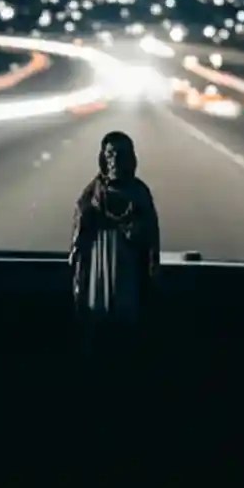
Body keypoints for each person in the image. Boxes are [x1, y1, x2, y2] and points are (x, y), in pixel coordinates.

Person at [69, 131, 160, 352]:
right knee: (98, 321)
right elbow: (81, 227)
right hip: (97, 267)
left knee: (125, 324)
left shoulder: (138, 192)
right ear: (103, 157)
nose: (115, 160)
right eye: (110, 154)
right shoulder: (94, 192)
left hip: (128, 267)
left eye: (121, 154)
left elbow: (150, 237)